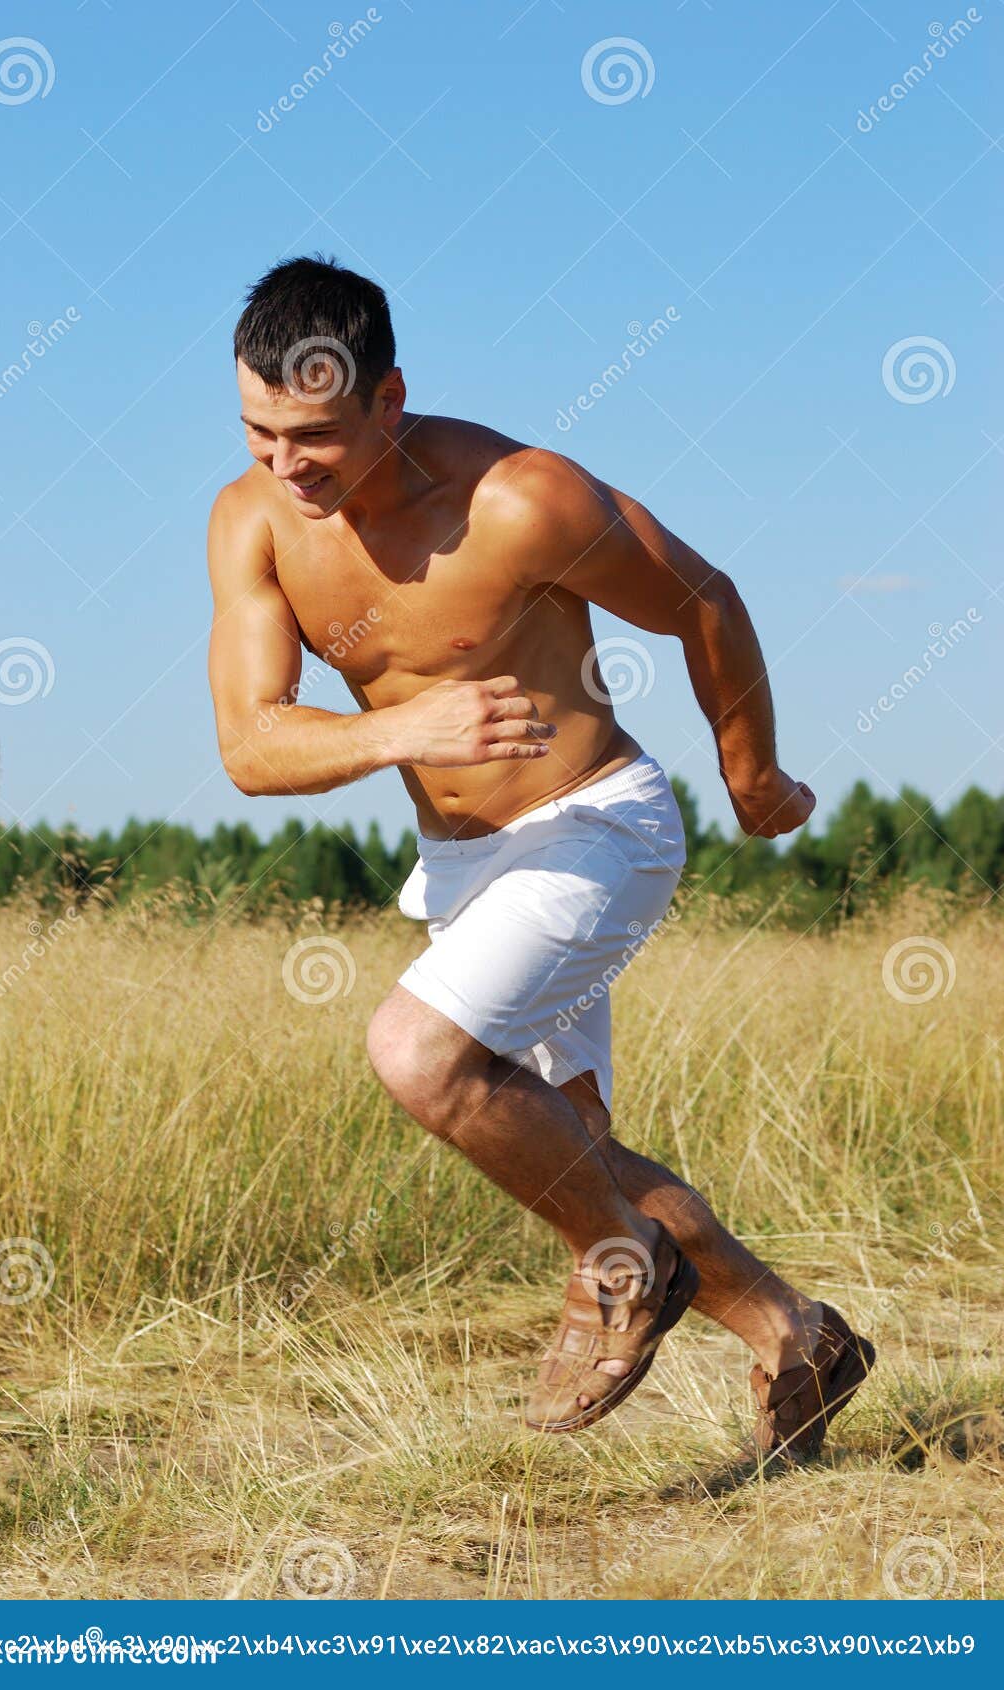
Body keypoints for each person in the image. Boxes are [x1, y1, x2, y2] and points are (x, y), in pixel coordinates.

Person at [207, 254, 874, 1456]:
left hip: (595, 826)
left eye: (313, 437)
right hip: (462, 863)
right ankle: (796, 1335)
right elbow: (252, 746)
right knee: (573, 1140)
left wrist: (752, 771)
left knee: (419, 1054)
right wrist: (407, 729)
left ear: (389, 399)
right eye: (259, 434)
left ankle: (619, 1268)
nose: (284, 466)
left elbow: (702, 598)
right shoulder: (255, 521)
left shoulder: (521, 499)